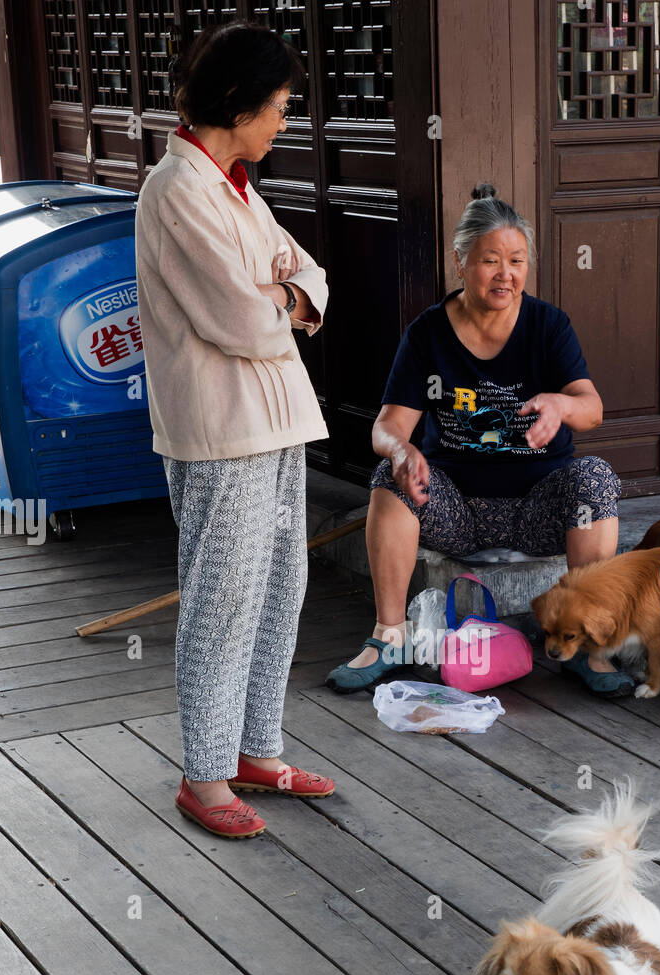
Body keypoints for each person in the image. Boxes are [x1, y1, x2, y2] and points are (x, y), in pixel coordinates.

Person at [135, 22, 335, 840]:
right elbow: (243, 319)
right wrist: (281, 296)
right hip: (222, 430)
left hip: (277, 420)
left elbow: (309, 278)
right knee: (222, 600)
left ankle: (257, 749)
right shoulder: (177, 189)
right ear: (239, 102)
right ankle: (205, 775)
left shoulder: (235, 186)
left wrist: (282, 294)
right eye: (280, 106)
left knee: (281, 589)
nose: (283, 121)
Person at [325, 183, 631, 698]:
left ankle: (591, 647)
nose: (506, 274)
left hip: (537, 509)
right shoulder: (427, 334)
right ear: (461, 261)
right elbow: (386, 425)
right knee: (387, 475)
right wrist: (403, 449)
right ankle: (390, 637)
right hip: (457, 510)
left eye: (516, 260)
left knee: (595, 478)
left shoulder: (548, 326)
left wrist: (561, 405)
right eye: (492, 260)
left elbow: (593, 408)